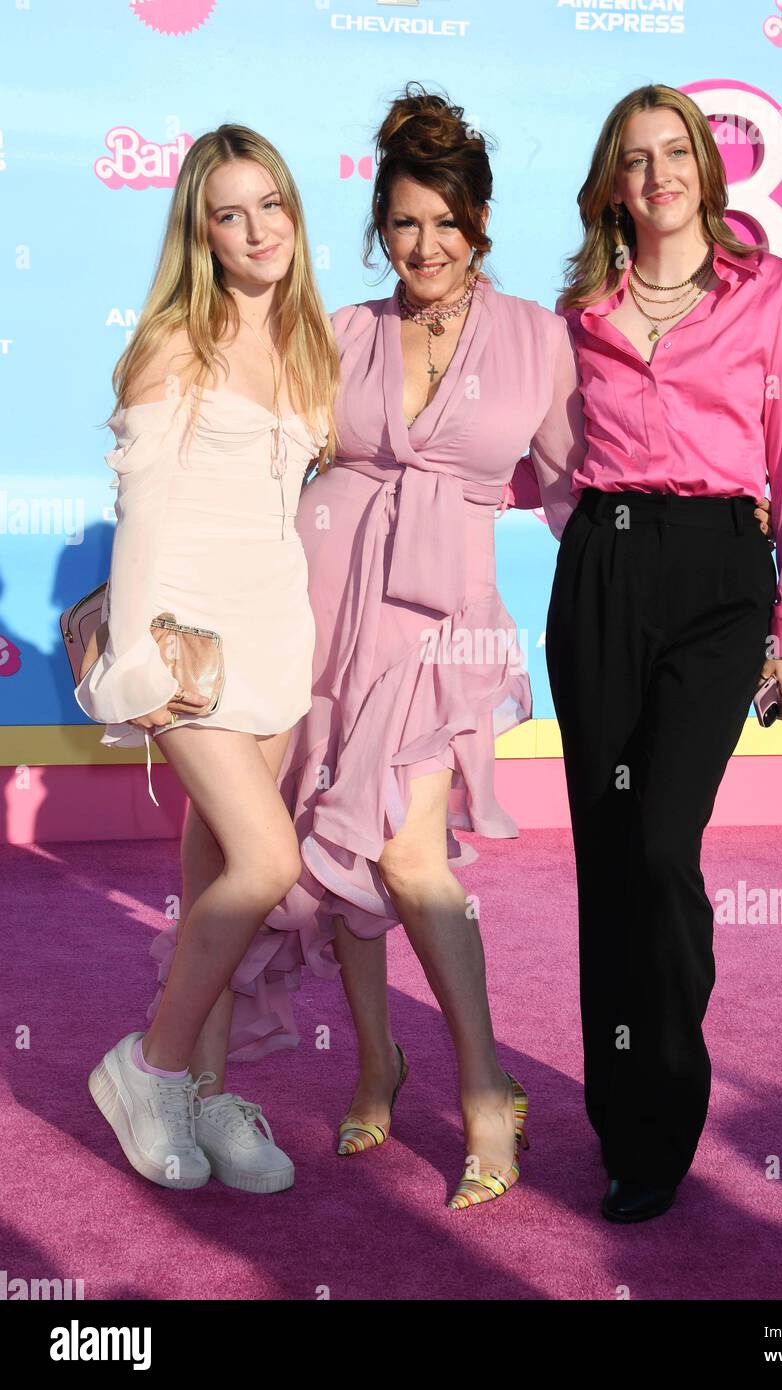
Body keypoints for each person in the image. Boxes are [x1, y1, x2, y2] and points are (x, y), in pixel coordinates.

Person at [146, 86, 773, 1212]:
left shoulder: (540, 338)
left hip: (443, 627)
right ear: (379, 231)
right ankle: (377, 1063)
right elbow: (238, 466)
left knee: (411, 856)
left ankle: (486, 1091)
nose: (424, 245)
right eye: (403, 224)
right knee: (335, 845)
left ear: (478, 225)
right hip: (319, 602)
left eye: (445, 222)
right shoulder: (339, 334)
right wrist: (141, 583)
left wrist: (727, 529)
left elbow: (594, 471)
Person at [542, 84, 782, 1223]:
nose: (657, 173)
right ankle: (620, 1121)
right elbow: (549, 461)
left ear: (702, 169)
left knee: (663, 844)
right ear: (611, 184)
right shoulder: (576, 309)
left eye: (673, 151)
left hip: (721, 576)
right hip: (603, 571)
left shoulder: (773, 293)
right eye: (634, 158)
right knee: (607, 855)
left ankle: (667, 1096)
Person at [74, 124, 336, 1194]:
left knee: (212, 873)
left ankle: (209, 1093)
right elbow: (141, 519)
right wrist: (137, 664)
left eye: (269, 203)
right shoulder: (176, 342)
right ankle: (150, 1065)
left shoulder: (315, 339)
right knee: (269, 867)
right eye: (229, 213)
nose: (256, 228)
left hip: (278, 630)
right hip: (189, 643)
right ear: (202, 232)